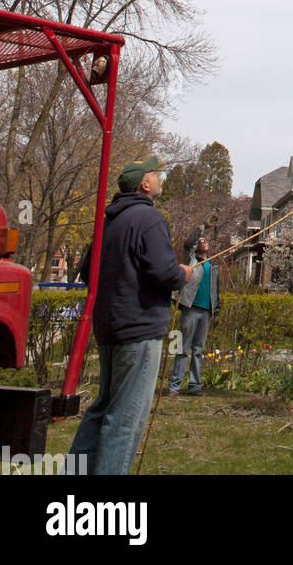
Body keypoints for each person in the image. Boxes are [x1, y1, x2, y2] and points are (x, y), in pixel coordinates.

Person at [67, 156, 194, 475]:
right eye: (155, 173)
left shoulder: (107, 221)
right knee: (125, 420)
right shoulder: (149, 219)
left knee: (101, 409)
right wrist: (183, 274)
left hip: (109, 329)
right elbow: (166, 272)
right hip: (139, 331)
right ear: (144, 185)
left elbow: (86, 271)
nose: (160, 176)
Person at [168, 228, 220, 396]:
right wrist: (202, 228)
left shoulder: (212, 265)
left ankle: (194, 385)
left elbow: (215, 289)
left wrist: (216, 309)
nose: (203, 242)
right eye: (201, 241)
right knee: (183, 348)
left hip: (206, 311)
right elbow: (188, 243)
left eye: (206, 241)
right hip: (190, 308)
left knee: (198, 350)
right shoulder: (191, 260)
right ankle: (174, 385)